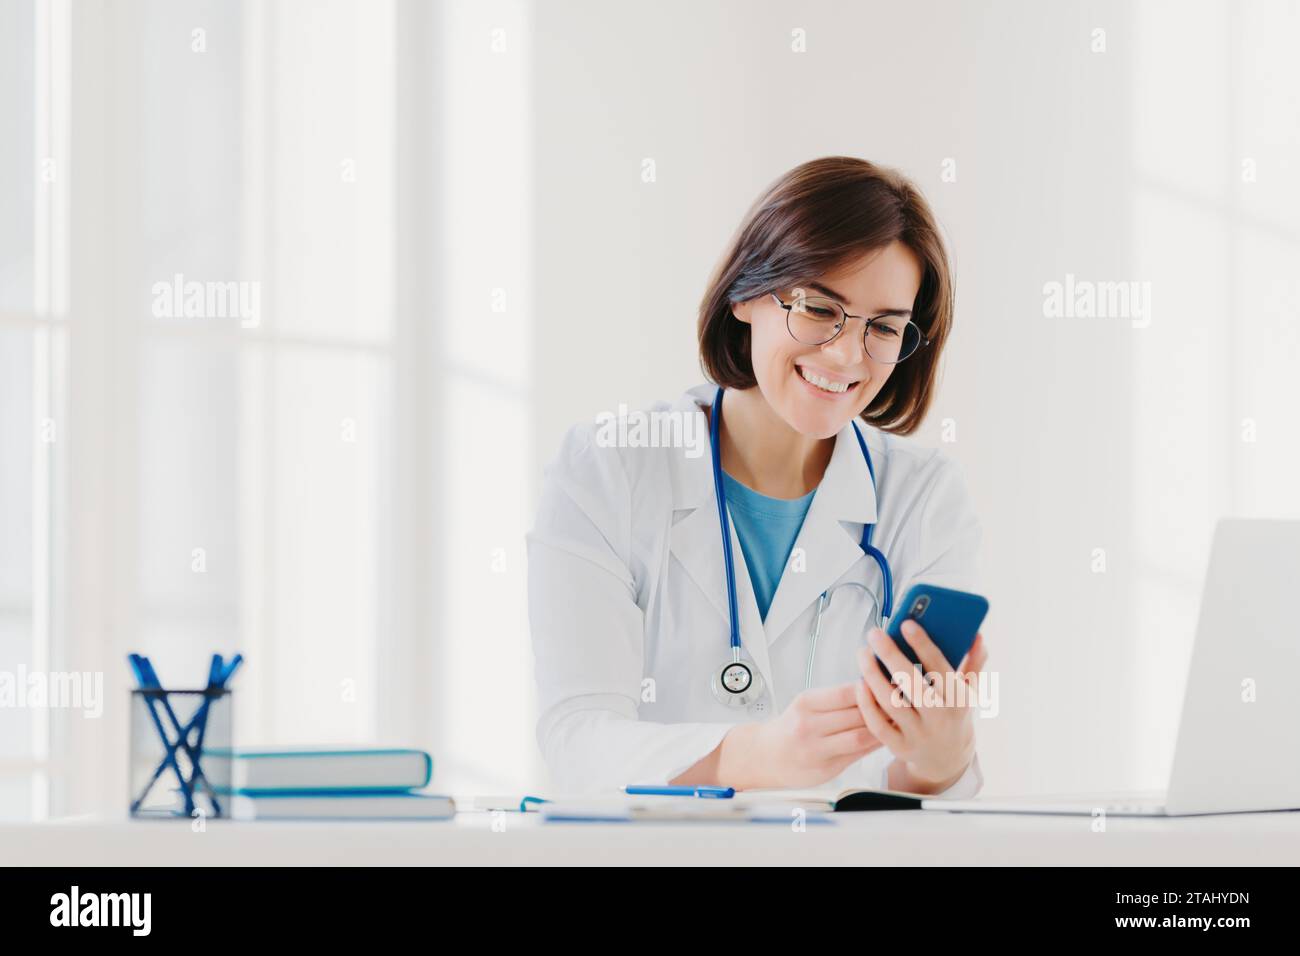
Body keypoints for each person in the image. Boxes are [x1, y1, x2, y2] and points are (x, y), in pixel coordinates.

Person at [527, 157, 988, 796]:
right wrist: (753, 757)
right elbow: (578, 743)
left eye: (883, 327)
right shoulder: (607, 467)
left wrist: (941, 761)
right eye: (819, 308)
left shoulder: (923, 497)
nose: (846, 354)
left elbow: (909, 794)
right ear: (746, 294)